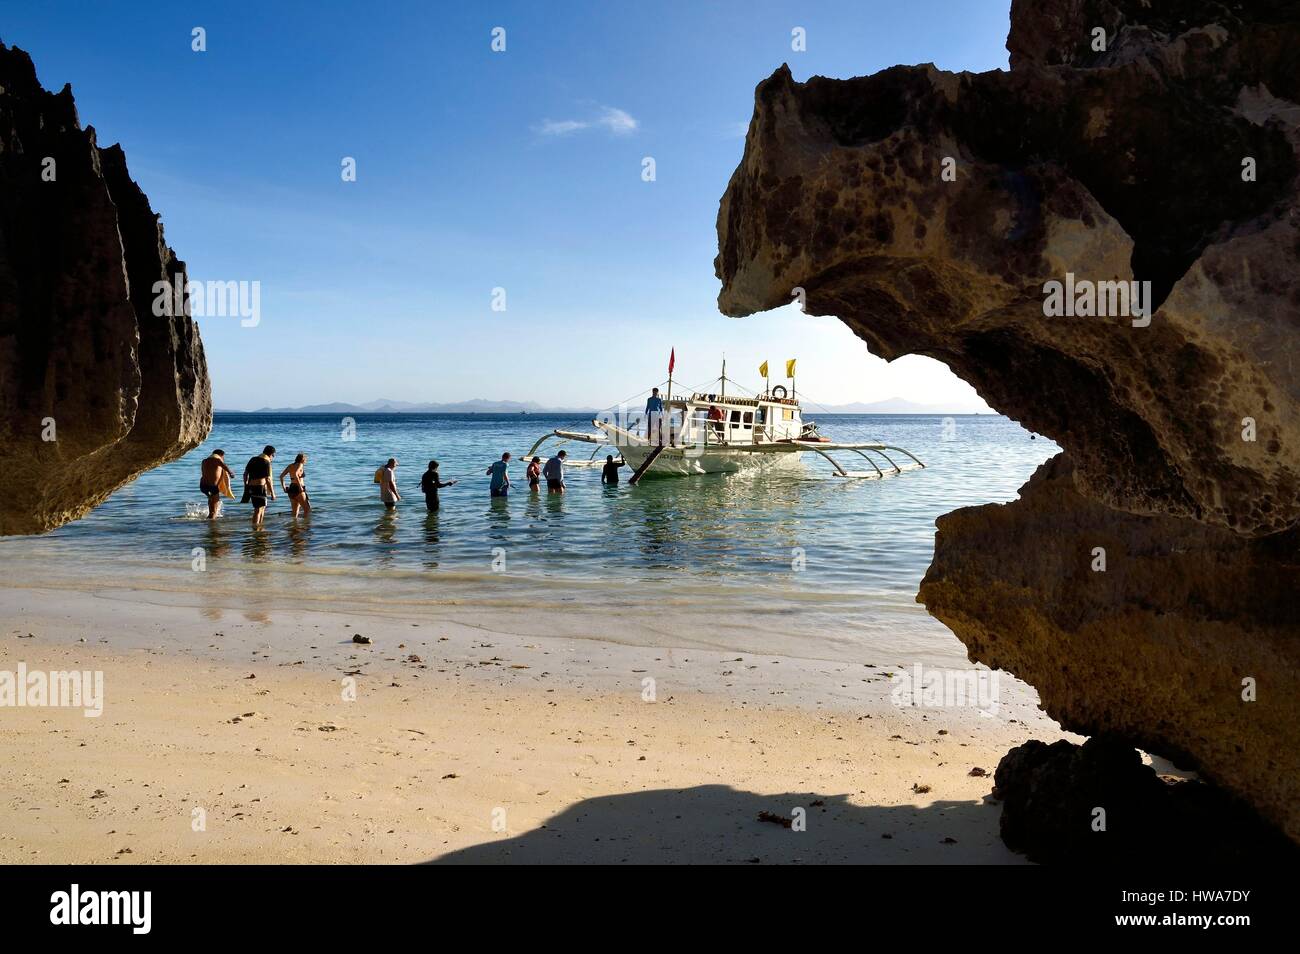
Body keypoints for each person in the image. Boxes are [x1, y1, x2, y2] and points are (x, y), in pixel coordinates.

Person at [242, 445, 276, 527]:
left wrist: (246, 485)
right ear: (271, 454)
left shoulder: (253, 459)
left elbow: (245, 474)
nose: (273, 458)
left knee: (261, 508)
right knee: (258, 509)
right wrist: (272, 493)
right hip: (260, 487)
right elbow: (268, 479)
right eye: (273, 456)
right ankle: (256, 529)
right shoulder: (266, 462)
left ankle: (259, 527)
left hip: (251, 486)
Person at [199, 449, 234, 519]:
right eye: (223, 457)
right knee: (214, 509)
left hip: (203, 485)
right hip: (213, 486)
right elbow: (225, 466)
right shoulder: (217, 460)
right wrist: (231, 473)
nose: (223, 458)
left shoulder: (204, 461)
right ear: (221, 455)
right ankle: (213, 526)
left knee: (211, 502)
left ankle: (209, 520)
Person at [279, 453, 310, 518]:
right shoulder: (300, 465)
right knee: (307, 510)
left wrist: (284, 488)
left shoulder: (290, 466)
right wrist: (300, 487)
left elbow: (281, 476)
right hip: (298, 488)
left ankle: (294, 526)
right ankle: (305, 526)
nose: (306, 461)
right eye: (305, 459)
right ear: (302, 459)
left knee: (295, 512)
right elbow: (296, 474)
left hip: (291, 488)